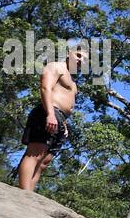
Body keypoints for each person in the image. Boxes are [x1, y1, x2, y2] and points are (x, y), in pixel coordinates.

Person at [17, 42, 84, 191]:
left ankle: (29, 195)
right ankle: (22, 195)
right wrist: (50, 114)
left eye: (84, 59)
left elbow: (66, 102)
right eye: (78, 55)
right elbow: (45, 88)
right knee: (34, 154)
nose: (81, 61)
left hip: (60, 120)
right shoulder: (56, 66)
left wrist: (63, 123)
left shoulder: (73, 82)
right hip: (48, 113)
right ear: (68, 53)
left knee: (43, 163)